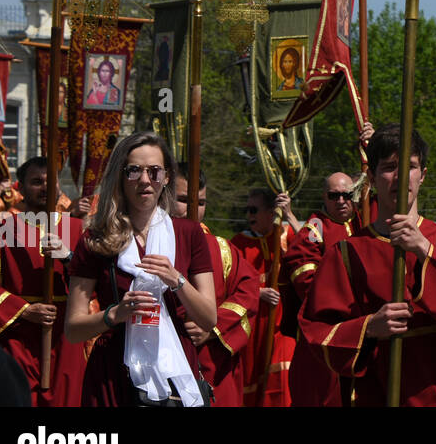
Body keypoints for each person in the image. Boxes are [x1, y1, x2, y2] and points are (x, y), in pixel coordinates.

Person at [298, 124, 436, 406]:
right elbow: (316, 332)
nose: (400, 177)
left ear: (422, 175)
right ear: (372, 178)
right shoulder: (346, 254)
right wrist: (369, 327)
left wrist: (423, 249)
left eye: (410, 166)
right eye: (388, 167)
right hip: (376, 392)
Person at [65, 131, 216, 407]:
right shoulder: (95, 238)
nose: (145, 180)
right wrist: (114, 314)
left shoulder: (190, 233)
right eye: (134, 171)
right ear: (120, 177)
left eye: (155, 171)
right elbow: (73, 329)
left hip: (176, 372)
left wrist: (177, 280)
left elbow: (209, 318)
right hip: (113, 374)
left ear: (167, 177)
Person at [0, 156, 86, 405]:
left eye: (49, 181)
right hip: (18, 335)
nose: (44, 187)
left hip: (67, 337)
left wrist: (69, 259)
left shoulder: (79, 229)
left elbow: (97, 286)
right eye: (36, 182)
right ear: (20, 187)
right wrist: (25, 310)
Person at [170, 170, 260, 407]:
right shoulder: (146, 244)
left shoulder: (221, 249)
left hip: (211, 367)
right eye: (183, 200)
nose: (193, 209)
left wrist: (212, 328)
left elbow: (248, 294)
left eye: (201, 202)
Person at [281, 171, 364, 407]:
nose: (340, 201)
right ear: (324, 197)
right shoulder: (316, 227)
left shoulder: (363, 220)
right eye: (333, 195)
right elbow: (305, 279)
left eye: (347, 195)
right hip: (331, 329)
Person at [229, 186, 300, 406]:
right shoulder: (238, 243)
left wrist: (289, 215)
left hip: (282, 327)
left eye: (254, 210)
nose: (249, 215)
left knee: (283, 376)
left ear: (271, 212)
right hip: (252, 331)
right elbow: (228, 285)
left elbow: (311, 247)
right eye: (247, 209)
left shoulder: (285, 237)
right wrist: (257, 293)